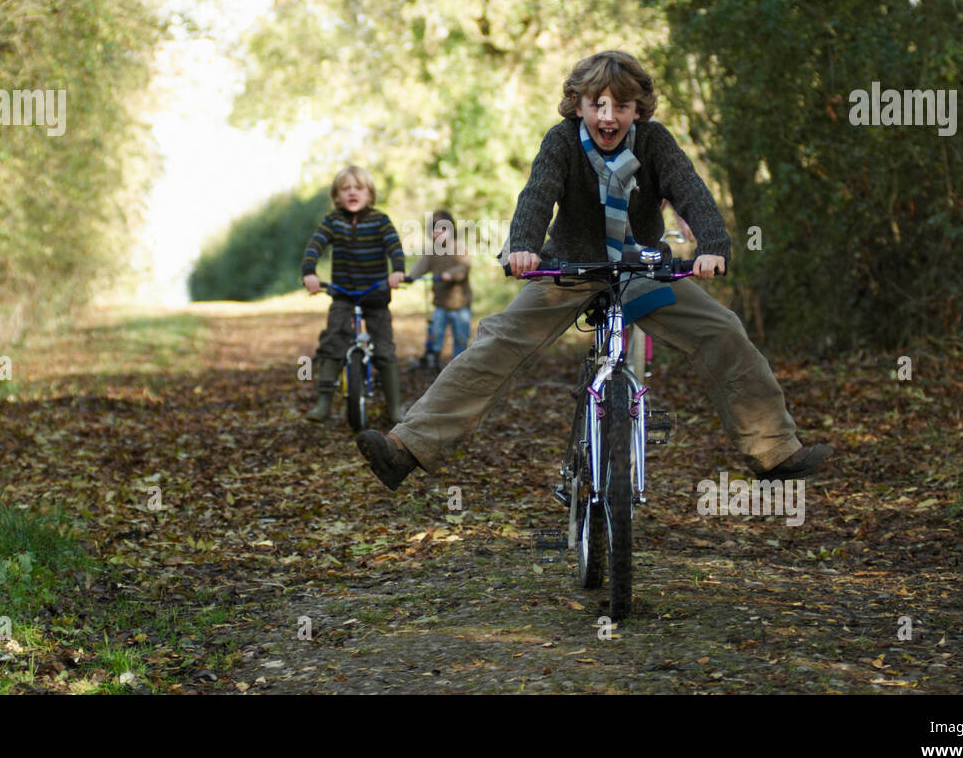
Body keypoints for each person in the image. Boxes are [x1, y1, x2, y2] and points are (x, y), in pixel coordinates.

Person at [355, 50, 832, 489]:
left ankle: (773, 452)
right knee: (498, 339)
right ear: (577, 104)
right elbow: (537, 195)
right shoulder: (562, 142)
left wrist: (713, 246)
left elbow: (691, 191)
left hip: (639, 270)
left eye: (621, 106)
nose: (609, 116)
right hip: (569, 270)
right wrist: (522, 247)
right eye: (597, 104)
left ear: (638, 110)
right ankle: (407, 447)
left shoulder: (656, 142)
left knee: (723, 329)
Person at [302, 165, 406, 423]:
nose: (352, 193)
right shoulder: (332, 221)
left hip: (376, 294)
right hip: (344, 294)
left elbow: (395, 248)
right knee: (333, 342)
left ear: (369, 194)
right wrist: (309, 272)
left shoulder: (381, 221)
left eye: (358, 188)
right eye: (345, 188)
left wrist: (398, 271)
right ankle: (323, 404)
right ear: (336, 196)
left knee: (384, 348)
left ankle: (394, 409)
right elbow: (315, 245)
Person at [405, 210, 473, 366]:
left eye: (443, 228)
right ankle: (434, 361)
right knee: (436, 334)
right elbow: (420, 266)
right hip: (440, 304)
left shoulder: (459, 247)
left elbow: (464, 267)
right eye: (434, 229)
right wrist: (410, 277)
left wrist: (451, 274)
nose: (438, 233)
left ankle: (459, 365)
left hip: (460, 305)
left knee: (461, 337)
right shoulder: (432, 251)